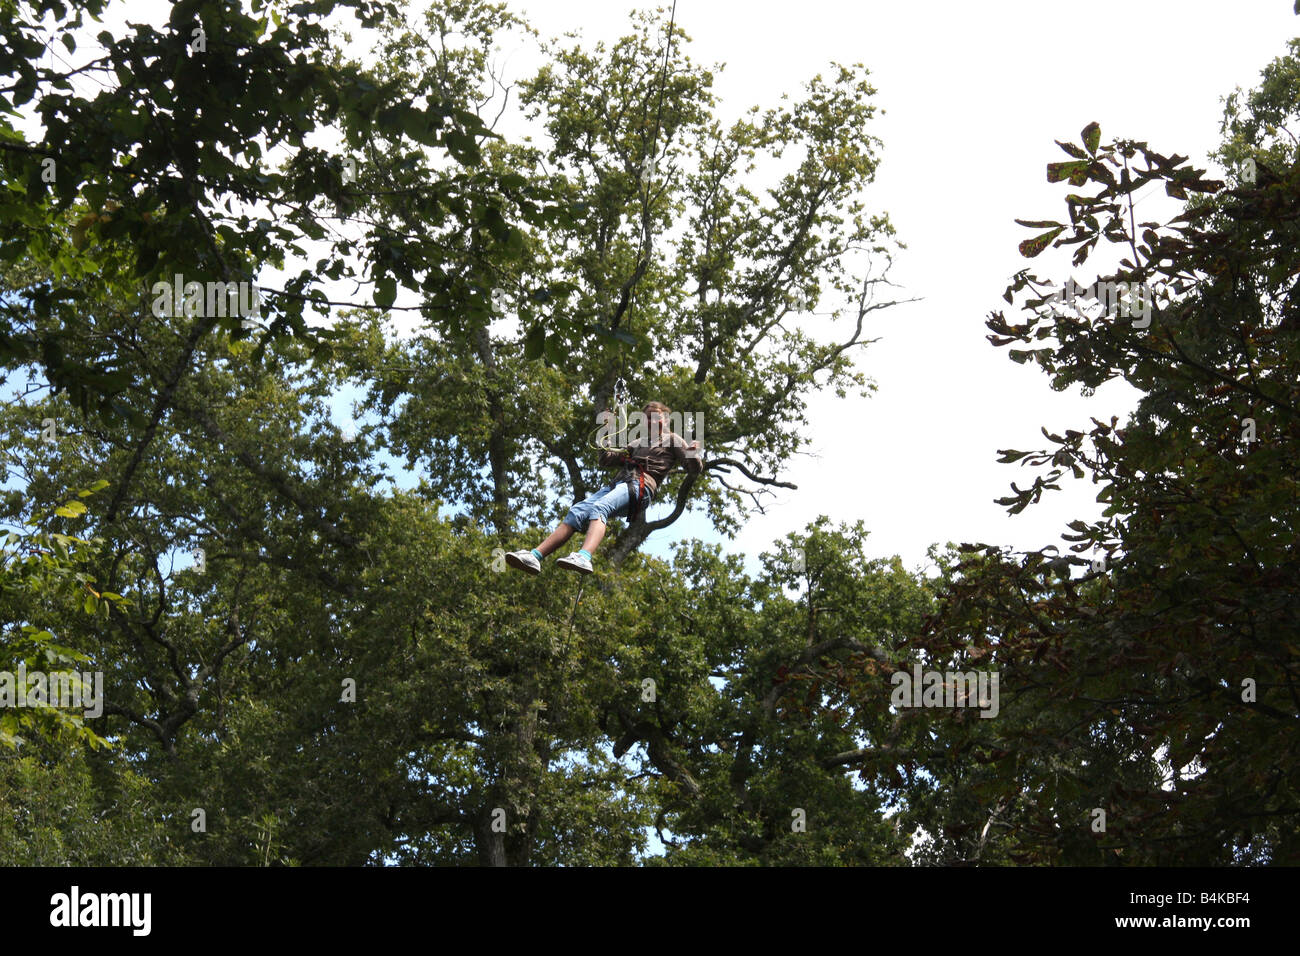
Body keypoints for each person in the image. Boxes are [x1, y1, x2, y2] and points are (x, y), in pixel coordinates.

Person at [506, 401, 703, 575]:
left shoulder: (673, 439)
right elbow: (606, 459)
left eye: (656, 418)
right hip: (620, 483)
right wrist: (606, 430)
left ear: (666, 420)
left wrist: (693, 454)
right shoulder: (637, 443)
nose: (651, 422)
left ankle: (584, 557)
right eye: (647, 419)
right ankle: (535, 556)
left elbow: (693, 468)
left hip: (640, 486)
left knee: (600, 508)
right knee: (576, 512)